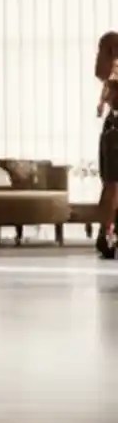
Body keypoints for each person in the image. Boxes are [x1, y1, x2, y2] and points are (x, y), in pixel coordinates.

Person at [94, 32, 118, 258]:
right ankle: (109, 236)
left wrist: (102, 104)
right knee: (114, 187)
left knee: (110, 186)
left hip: (111, 130)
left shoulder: (108, 74)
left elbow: (103, 104)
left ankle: (106, 234)